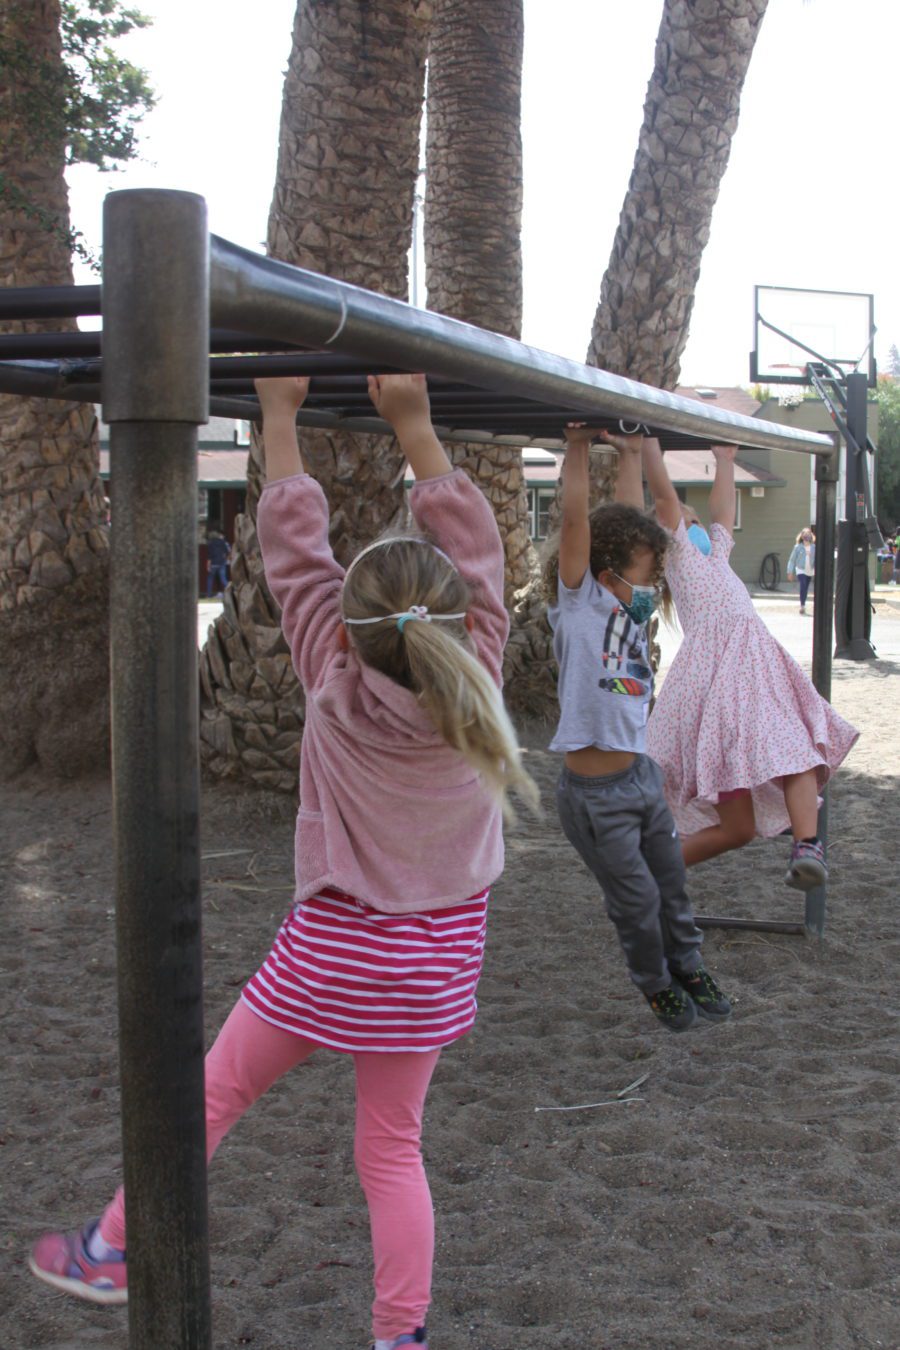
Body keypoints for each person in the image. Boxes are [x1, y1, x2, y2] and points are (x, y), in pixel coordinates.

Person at [29, 373, 537, 1350]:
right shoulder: (479, 672)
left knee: (212, 1093)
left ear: (344, 629)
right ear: (459, 622)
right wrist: (413, 426)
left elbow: (293, 553)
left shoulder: (332, 677)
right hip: (437, 965)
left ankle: (111, 1249)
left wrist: (277, 411)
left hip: (335, 951)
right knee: (392, 1148)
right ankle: (400, 1336)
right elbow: (479, 554)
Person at [545, 424, 731, 1034]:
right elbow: (577, 521)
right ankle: (654, 982)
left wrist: (630, 454)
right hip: (595, 796)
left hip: (642, 779)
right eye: (643, 579)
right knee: (637, 899)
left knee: (671, 885)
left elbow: (629, 517)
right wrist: (577, 449)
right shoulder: (579, 604)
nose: (652, 592)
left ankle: (689, 965)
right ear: (605, 575)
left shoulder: (634, 609)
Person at [642, 438, 858, 889]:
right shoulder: (679, 556)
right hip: (719, 683)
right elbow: (664, 498)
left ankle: (806, 847)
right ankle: (644, 878)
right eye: (687, 522)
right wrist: (648, 441)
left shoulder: (715, 556)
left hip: (755, 672)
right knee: (790, 753)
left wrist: (725, 461)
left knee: (751, 812)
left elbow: (722, 515)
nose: (697, 528)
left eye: (696, 522)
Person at [786, 526, 816, 614]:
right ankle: (802, 606)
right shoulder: (797, 547)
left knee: (806, 587)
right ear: (802, 536)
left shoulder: (814, 547)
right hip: (800, 569)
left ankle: (803, 602)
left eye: (808, 534)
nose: (807, 536)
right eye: (805, 534)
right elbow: (792, 560)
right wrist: (790, 572)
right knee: (803, 584)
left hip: (809, 570)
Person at [205, 527, 230, 597]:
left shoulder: (210, 543)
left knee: (210, 578)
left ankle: (208, 594)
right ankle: (231, 591)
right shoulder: (222, 542)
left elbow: (209, 555)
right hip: (222, 562)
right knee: (223, 578)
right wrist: (224, 558)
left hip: (213, 563)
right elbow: (227, 551)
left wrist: (208, 565)